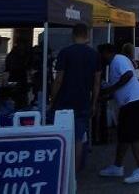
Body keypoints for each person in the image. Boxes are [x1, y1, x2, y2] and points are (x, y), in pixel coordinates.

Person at [98, 43, 139, 184]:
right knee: (123, 135)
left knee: (134, 136)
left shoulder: (118, 60)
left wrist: (111, 89)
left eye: (101, 54)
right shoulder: (116, 62)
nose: (100, 58)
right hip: (128, 103)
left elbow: (128, 75)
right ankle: (117, 166)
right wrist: (110, 93)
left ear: (106, 52)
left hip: (135, 101)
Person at [50, 24, 101, 172]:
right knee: (78, 138)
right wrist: (94, 103)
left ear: (73, 35)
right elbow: (97, 82)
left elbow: (58, 79)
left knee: (61, 135)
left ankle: (61, 171)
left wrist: (52, 100)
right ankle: (74, 173)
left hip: (64, 100)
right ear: (87, 35)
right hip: (83, 100)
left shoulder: (65, 52)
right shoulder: (94, 54)